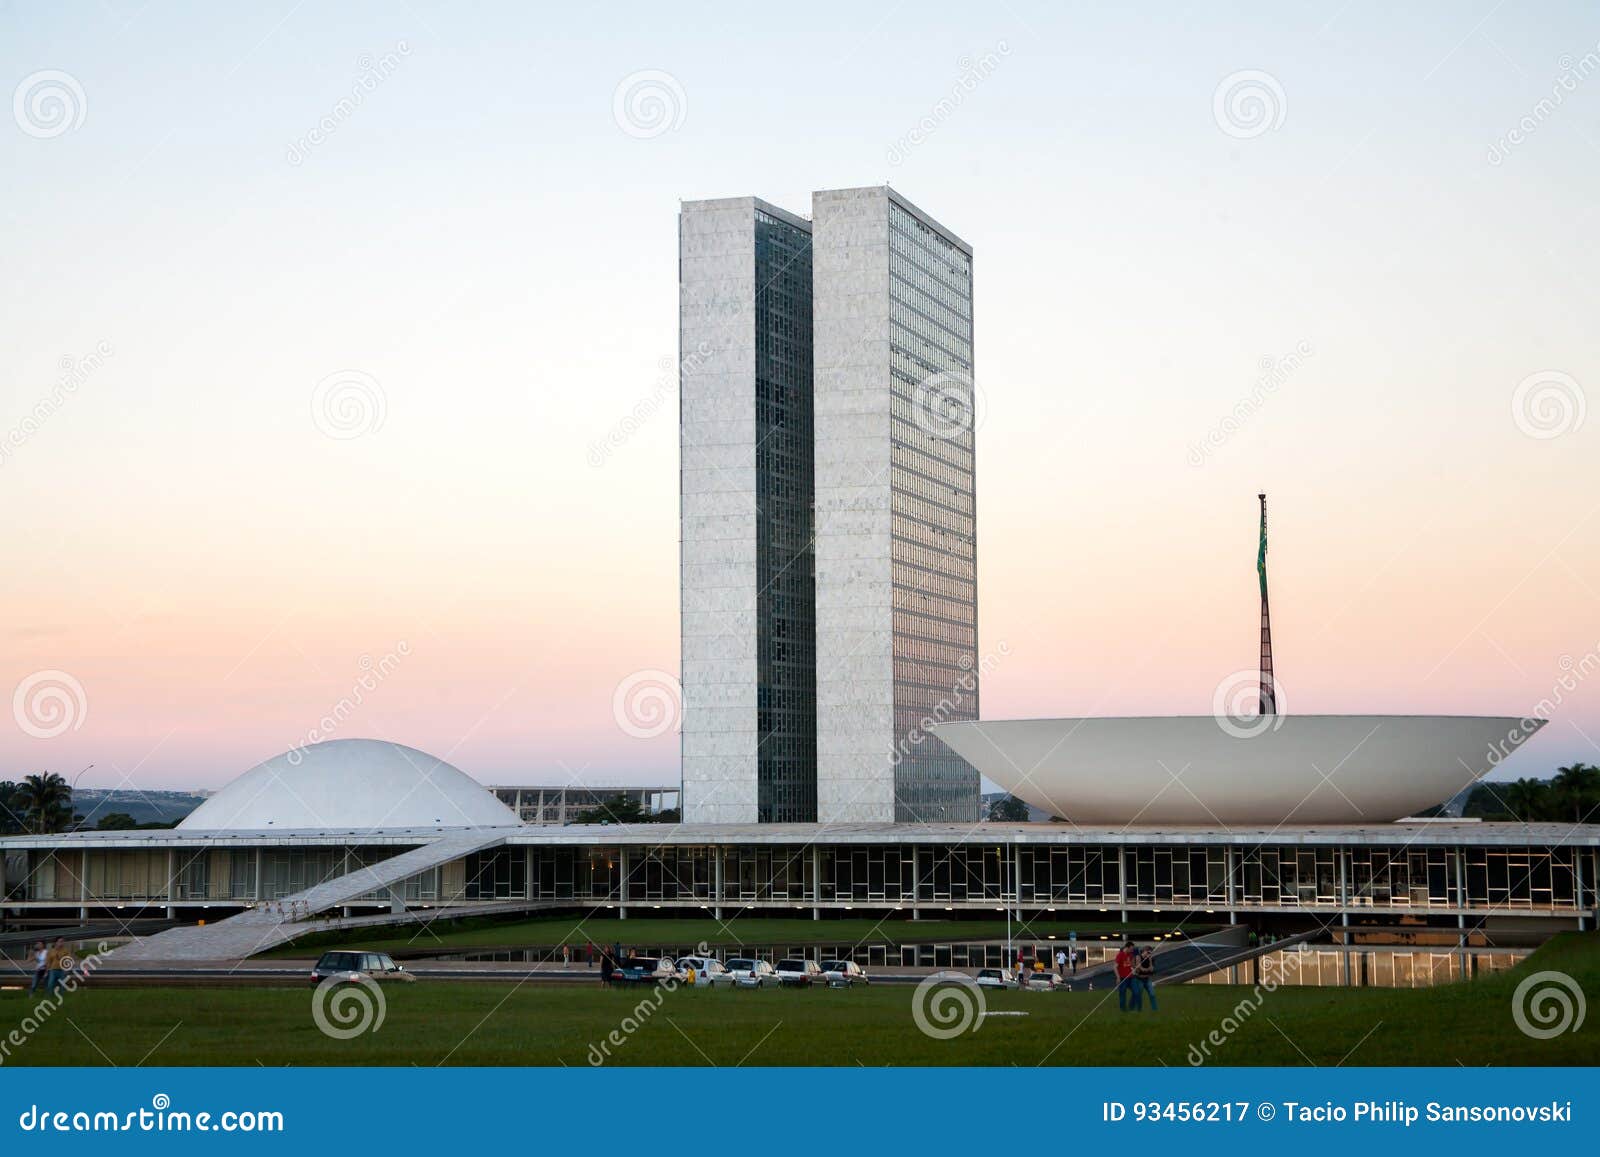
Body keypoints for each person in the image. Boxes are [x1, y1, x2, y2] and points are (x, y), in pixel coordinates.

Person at [1114, 940, 1137, 1011]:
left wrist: (1135, 968)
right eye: (1131, 948)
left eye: (1133, 949)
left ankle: (1131, 1007)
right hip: (1122, 978)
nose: (1132, 950)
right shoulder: (1120, 955)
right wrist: (1118, 978)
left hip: (1131, 978)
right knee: (1122, 995)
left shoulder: (1131, 955)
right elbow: (1115, 967)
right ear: (1127, 947)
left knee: (1136, 992)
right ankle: (1123, 1010)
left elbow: (1132, 965)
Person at [1136, 946, 1158, 1012]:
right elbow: (1140, 968)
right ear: (1144, 951)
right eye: (1148, 952)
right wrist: (1147, 969)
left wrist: (1150, 961)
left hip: (1147, 979)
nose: (1149, 954)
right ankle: (1138, 1010)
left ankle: (1155, 1010)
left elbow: (1152, 969)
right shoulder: (1138, 957)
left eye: (1150, 953)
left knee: (1152, 994)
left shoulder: (1151, 959)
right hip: (1139, 979)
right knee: (1139, 995)